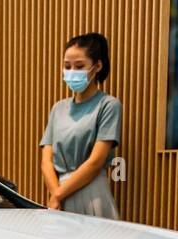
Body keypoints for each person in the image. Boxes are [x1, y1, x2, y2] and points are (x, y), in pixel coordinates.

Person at [39, 32, 121, 218]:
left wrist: (57, 195)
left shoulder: (108, 105)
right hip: (58, 194)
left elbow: (95, 162)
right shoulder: (58, 108)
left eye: (79, 66)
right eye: (67, 66)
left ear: (97, 66)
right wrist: (56, 195)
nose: (71, 71)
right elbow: (46, 161)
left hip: (91, 192)